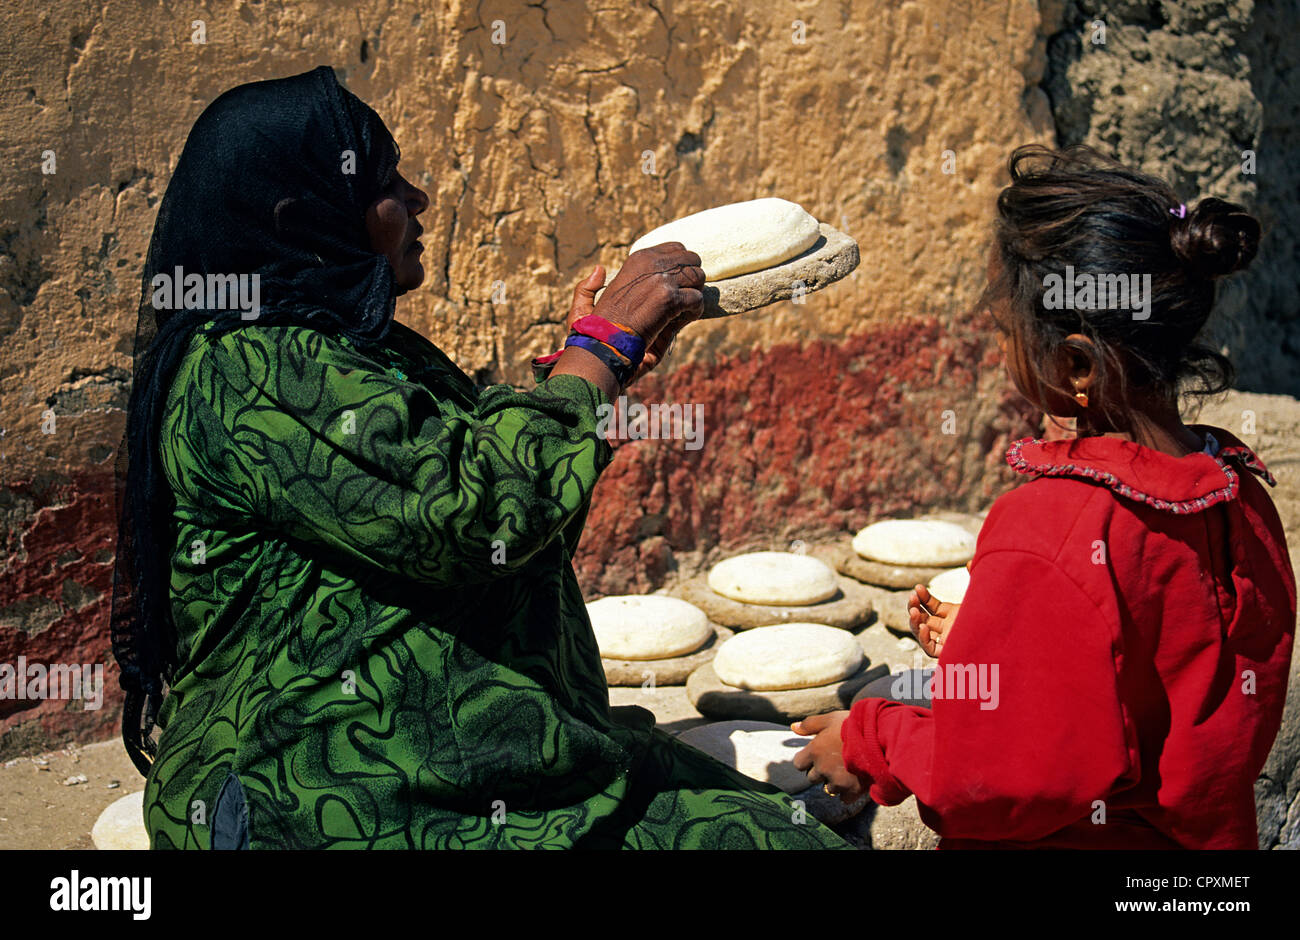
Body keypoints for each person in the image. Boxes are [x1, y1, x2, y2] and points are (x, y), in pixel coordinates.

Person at [109, 66, 852, 850]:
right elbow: (476, 508)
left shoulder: (365, 351)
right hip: (338, 797)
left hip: (484, 769)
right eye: (388, 182)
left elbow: (511, 533)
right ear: (302, 215)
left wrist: (584, 377)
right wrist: (597, 353)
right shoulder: (252, 370)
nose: (419, 199)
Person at [792, 144, 1296, 849]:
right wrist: (996, 633)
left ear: (1078, 364)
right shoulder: (1241, 495)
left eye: (1007, 333)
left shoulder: (1053, 528)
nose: (1003, 351)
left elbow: (1001, 780)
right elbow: (1155, 665)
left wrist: (869, 740)